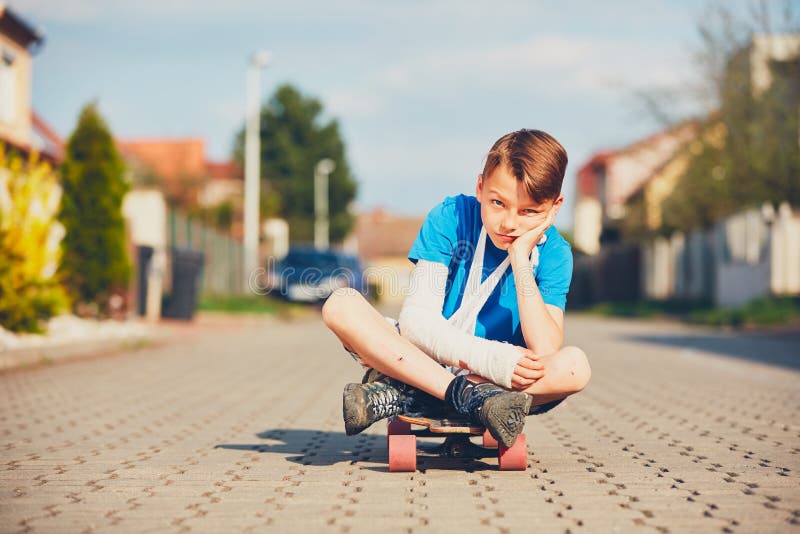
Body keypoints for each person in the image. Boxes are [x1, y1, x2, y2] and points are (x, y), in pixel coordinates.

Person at [322, 129, 591, 448]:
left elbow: (545, 349)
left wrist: (520, 260)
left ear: (554, 207)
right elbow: (416, 323)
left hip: (490, 380)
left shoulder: (555, 253)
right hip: (427, 358)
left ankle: (411, 395)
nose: (509, 223)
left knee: (576, 367)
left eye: (528, 211)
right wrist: (494, 359)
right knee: (340, 304)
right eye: (497, 203)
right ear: (480, 187)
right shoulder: (451, 217)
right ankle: (465, 397)